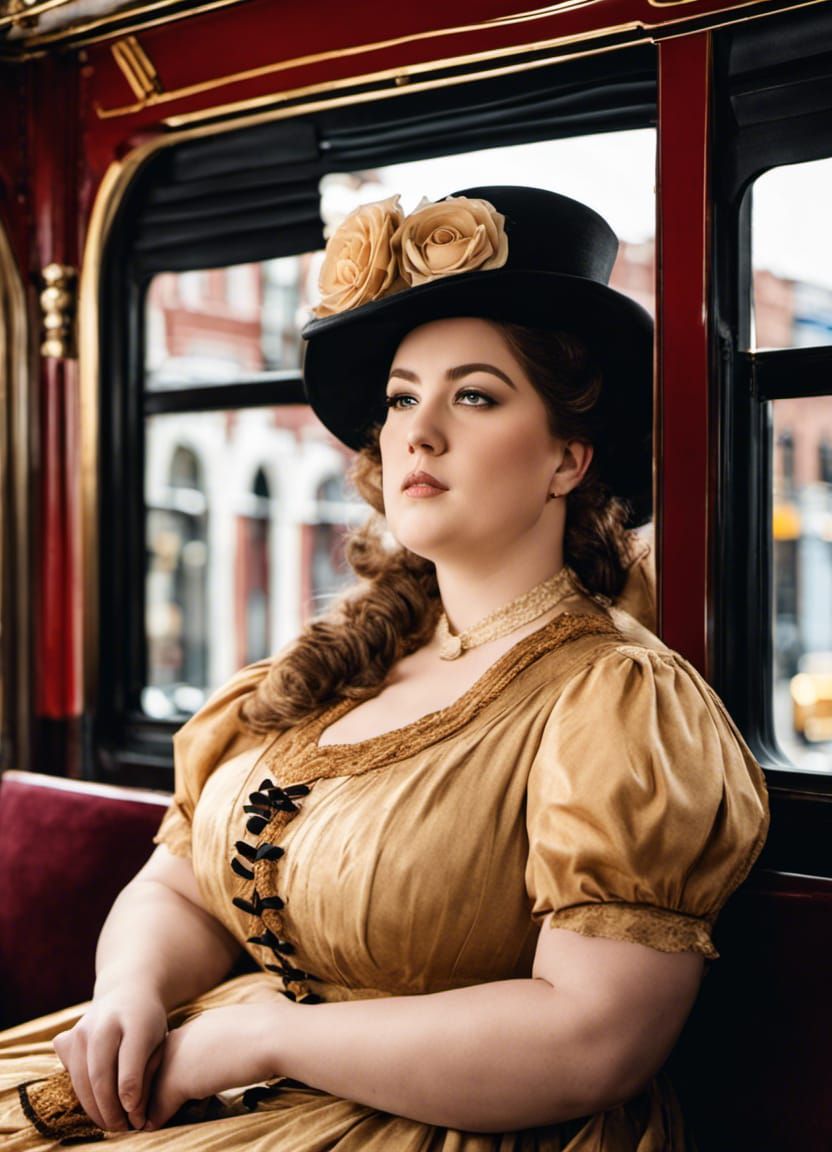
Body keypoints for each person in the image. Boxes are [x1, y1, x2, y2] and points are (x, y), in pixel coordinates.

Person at [0, 186, 768, 1150]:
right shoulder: (338, 664)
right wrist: (130, 991)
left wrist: (271, 1038)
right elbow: (181, 886)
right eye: (404, 396)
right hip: (225, 1072)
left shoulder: (611, 698)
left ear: (568, 460)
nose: (420, 431)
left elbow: (596, 1039)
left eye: (475, 396)